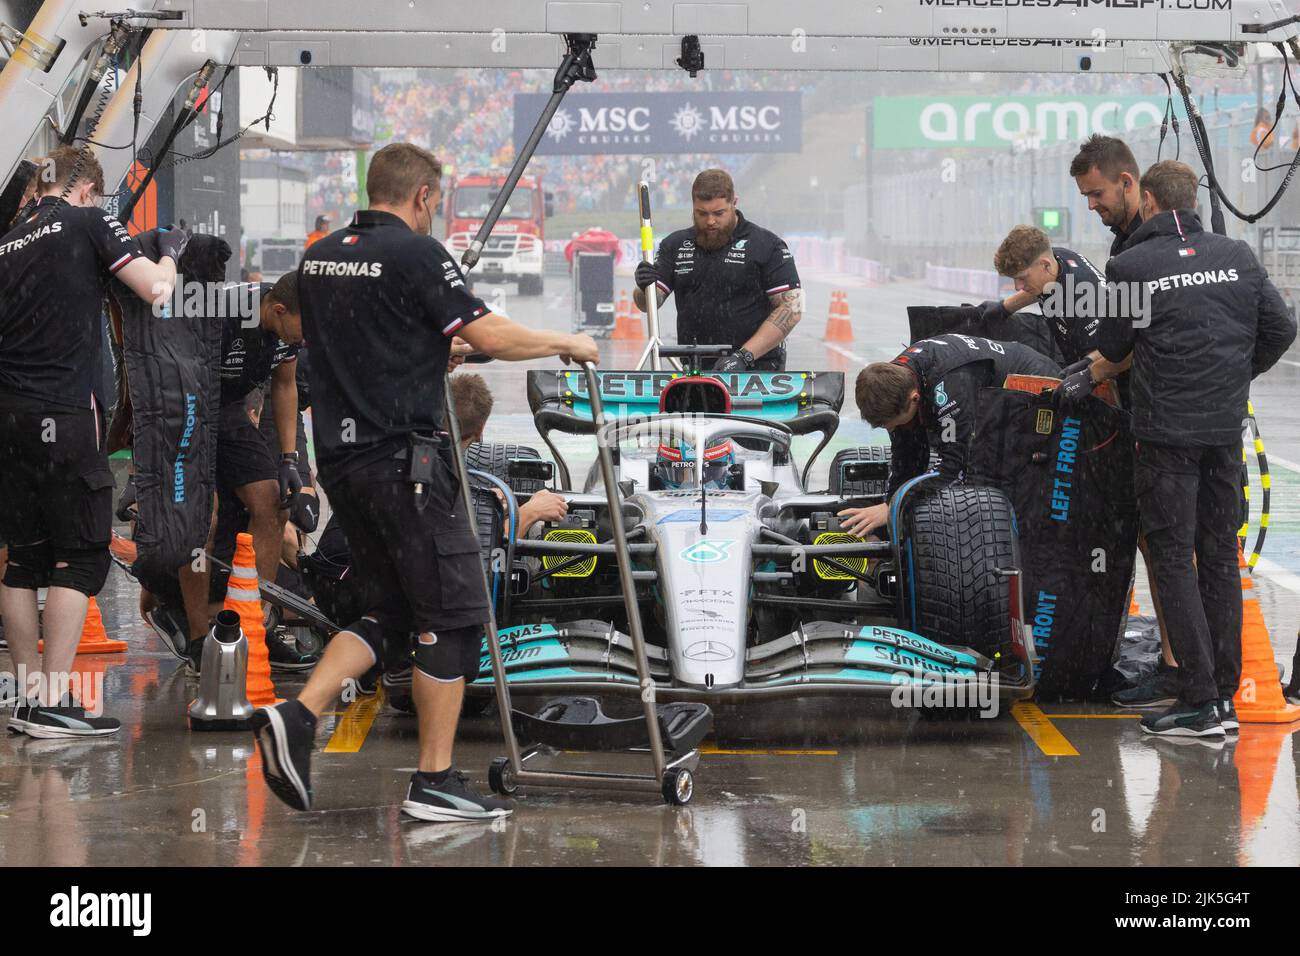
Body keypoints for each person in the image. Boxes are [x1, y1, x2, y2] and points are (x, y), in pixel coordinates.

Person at [252, 142, 599, 822]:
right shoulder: (416, 252)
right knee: (456, 615)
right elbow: (491, 334)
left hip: (346, 466)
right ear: (425, 197)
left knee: (392, 613)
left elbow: (369, 341)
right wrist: (565, 341)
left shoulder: (319, 257)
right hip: (405, 466)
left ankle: (295, 716)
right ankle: (434, 779)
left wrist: (437, 345)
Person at [1101, 159, 1296, 737]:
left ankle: (1198, 700)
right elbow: (1282, 329)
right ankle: (1228, 700)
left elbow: (1113, 344)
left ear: (1152, 201)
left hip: (1165, 438)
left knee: (1171, 561)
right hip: (1221, 432)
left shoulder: (1129, 264)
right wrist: (1233, 378)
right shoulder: (1235, 256)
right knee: (1217, 558)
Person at [0, 146, 185, 736]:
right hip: (65, 413)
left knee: (23, 557)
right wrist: (172, 253)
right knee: (79, 556)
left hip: (9, 417)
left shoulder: (6, 242)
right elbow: (155, 288)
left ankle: (28, 695)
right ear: (84, 190)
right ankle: (55, 700)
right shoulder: (87, 220)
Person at [839, 334, 1060, 537]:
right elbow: (908, 456)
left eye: (891, 424)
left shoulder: (949, 389)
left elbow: (955, 466)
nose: (890, 430)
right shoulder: (896, 378)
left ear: (914, 399)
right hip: (990, 390)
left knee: (984, 478)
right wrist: (890, 505)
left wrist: (894, 506)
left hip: (1036, 387)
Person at [632, 168, 802, 372]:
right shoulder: (675, 244)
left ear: (734, 203)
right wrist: (642, 287)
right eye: (701, 213)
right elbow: (649, 303)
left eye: (718, 213)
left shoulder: (767, 244)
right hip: (694, 368)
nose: (710, 221)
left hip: (756, 369)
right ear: (693, 206)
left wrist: (744, 356)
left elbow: (793, 309)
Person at [449, 372, 567, 537]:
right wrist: (532, 511)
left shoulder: (425, 460)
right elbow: (480, 548)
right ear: (480, 430)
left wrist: (484, 502)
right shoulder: (437, 475)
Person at [1070, 135, 1143, 258]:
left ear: (1127, 183)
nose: (1091, 205)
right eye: (1086, 196)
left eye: (1097, 194)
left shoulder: (1156, 241)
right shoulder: (1122, 239)